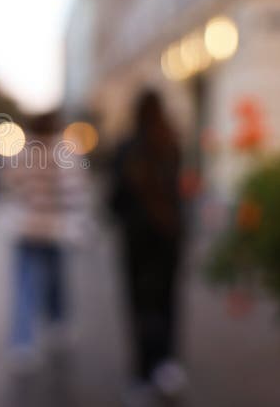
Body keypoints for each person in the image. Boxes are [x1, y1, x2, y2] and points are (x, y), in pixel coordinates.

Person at [109, 90, 188, 402]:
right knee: (167, 301)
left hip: (137, 238)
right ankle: (165, 363)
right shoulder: (171, 143)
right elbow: (177, 192)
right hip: (168, 236)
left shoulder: (128, 148)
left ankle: (143, 371)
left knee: (139, 305)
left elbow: (115, 199)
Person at [3, 112, 88, 366]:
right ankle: (58, 325)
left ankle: (22, 341)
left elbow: (8, 184)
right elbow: (75, 192)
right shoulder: (66, 154)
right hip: (55, 229)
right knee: (56, 281)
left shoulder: (21, 153)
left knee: (25, 287)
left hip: (25, 228)